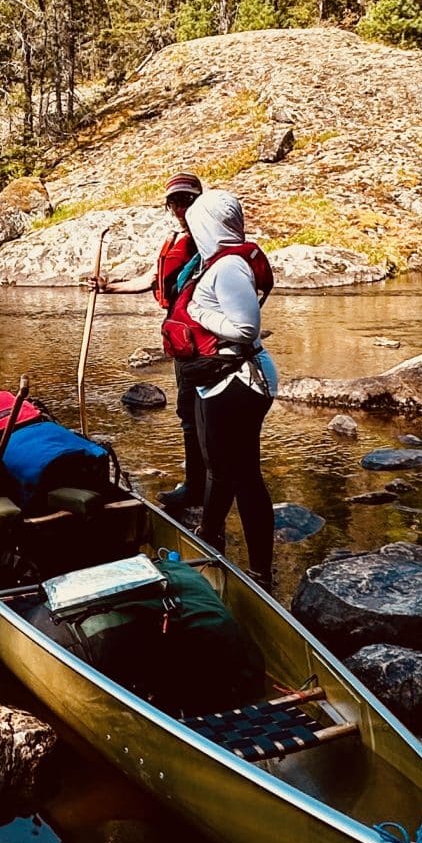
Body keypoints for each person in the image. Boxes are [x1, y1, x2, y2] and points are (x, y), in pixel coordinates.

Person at [162, 188, 278, 581]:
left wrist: (198, 313)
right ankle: (210, 536)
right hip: (217, 379)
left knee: (244, 476)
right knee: (219, 466)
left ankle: (260, 572)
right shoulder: (214, 263)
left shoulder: (228, 268)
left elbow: (247, 329)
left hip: (240, 380)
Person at [151, 173, 205, 515]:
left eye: (187, 200)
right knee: (188, 412)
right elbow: (154, 282)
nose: (180, 208)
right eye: (175, 202)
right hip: (182, 342)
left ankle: (200, 489)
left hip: (202, 344)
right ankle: (197, 486)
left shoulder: (209, 241)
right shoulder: (178, 242)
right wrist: (108, 286)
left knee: (198, 415)